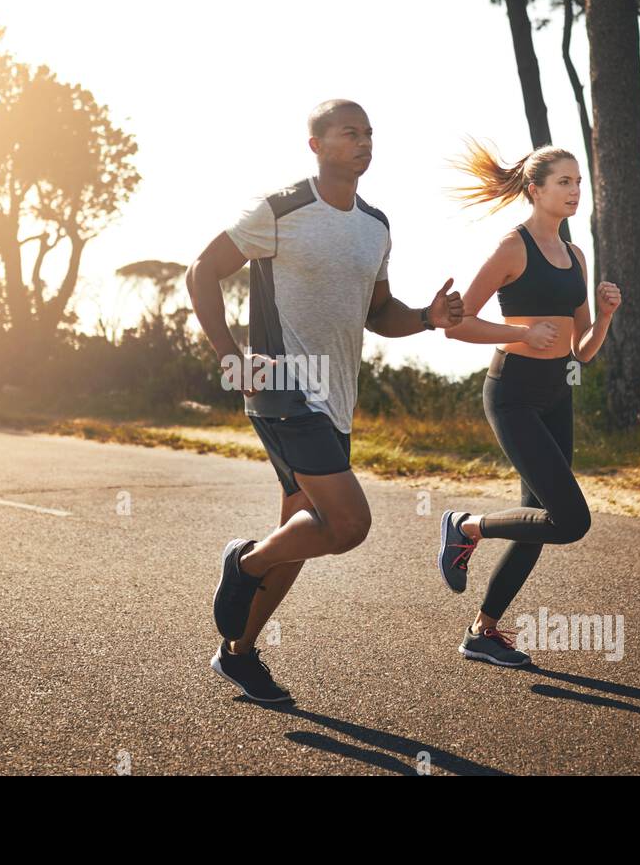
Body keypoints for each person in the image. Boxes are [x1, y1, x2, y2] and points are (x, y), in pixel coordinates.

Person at [186, 99, 464, 702]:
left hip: (336, 401)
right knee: (348, 524)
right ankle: (245, 564)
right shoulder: (281, 208)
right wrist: (230, 356)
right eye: (349, 133)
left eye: (369, 133)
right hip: (284, 387)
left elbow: (378, 313)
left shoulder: (376, 225)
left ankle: (237, 652)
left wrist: (427, 317)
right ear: (316, 144)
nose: (363, 142)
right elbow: (203, 271)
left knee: (301, 528)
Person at [435, 141, 622, 668]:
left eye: (579, 182)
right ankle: (465, 527)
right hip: (513, 393)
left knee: (539, 521)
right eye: (564, 182)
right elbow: (457, 323)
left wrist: (605, 317)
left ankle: (482, 632)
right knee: (570, 520)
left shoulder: (576, 255)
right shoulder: (512, 249)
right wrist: (517, 330)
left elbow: (580, 348)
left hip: (556, 393)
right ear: (535, 189)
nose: (574, 191)